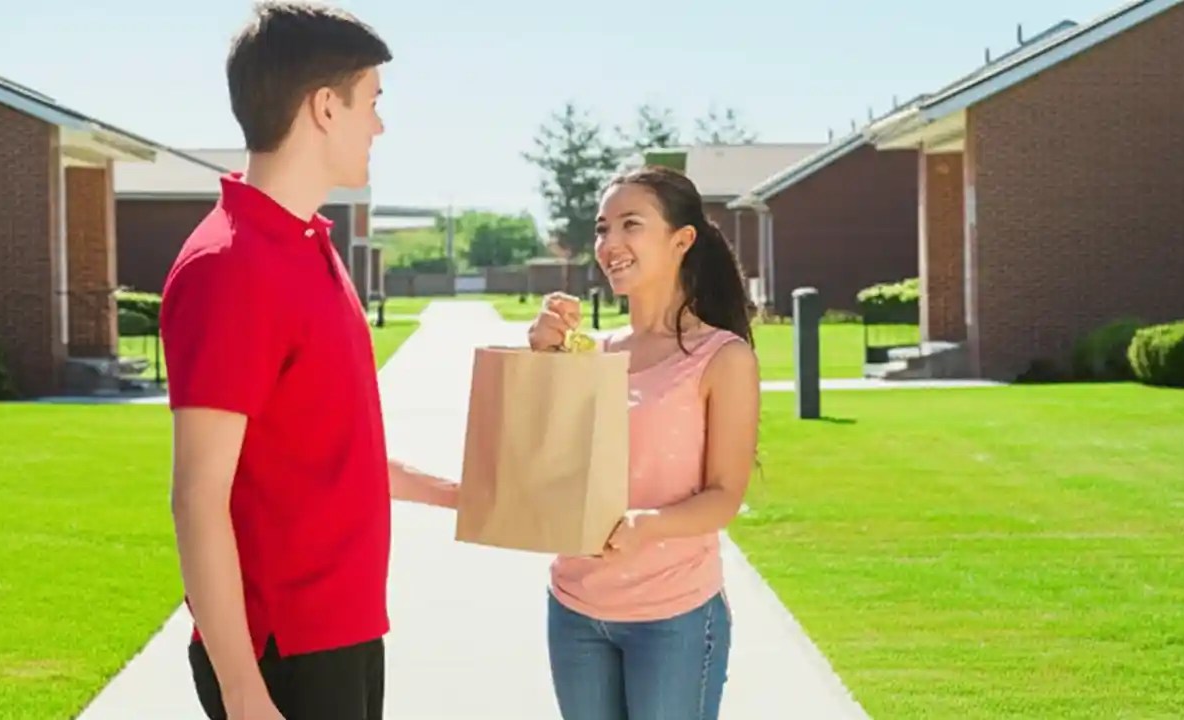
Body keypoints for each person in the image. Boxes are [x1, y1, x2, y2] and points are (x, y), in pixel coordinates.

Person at [160, 3, 454, 719]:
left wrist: (476, 496)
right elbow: (198, 497)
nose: (379, 125)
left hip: (344, 631)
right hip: (281, 657)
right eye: (372, 103)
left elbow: (328, 456)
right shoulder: (230, 266)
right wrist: (242, 693)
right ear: (326, 106)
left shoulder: (307, 246)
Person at [527, 165, 762, 720]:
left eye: (630, 224)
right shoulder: (589, 353)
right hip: (575, 609)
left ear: (682, 240)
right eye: (602, 228)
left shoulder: (722, 358)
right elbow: (542, 463)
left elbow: (725, 496)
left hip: (673, 616)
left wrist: (644, 526)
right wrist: (541, 363)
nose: (610, 244)